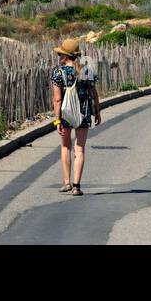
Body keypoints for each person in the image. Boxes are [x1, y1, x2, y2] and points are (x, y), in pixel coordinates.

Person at [51, 38, 100, 196]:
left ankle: (66, 183)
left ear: (65, 56)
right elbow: (94, 94)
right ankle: (77, 186)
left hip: (65, 114)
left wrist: (57, 119)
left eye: (61, 55)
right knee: (80, 149)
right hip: (83, 112)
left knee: (65, 146)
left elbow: (57, 99)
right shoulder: (87, 71)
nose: (59, 58)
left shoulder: (58, 73)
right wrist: (97, 111)